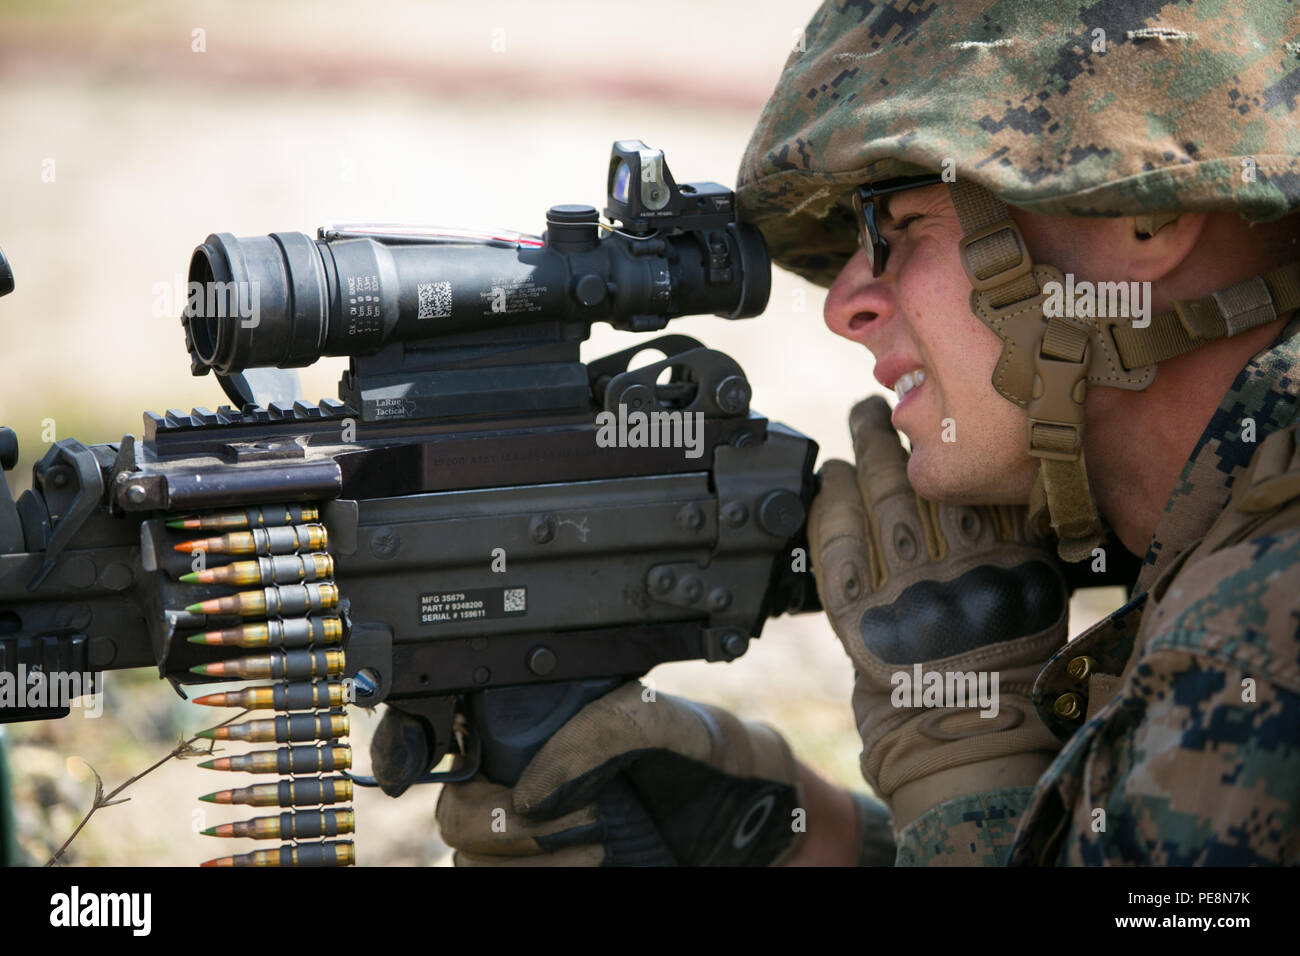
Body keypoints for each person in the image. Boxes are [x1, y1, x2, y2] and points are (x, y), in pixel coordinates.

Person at [433, 0, 1300, 865]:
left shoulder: (1248, 636)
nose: (848, 306)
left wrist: (964, 756)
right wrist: (813, 842)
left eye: (905, 224)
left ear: (1139, 215)